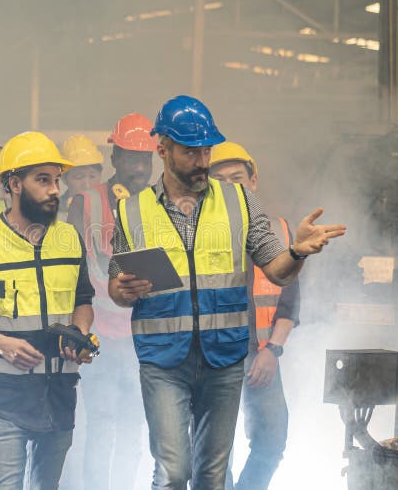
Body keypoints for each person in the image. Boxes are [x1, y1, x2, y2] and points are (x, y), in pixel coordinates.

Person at [108, 95, 346, 490]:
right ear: (163, 150)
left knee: (211, 477)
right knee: (172, 472)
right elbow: (119, 285)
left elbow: (277, 270)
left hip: (224, 360)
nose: (202, 161)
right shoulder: (132, 211)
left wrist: (296, 253)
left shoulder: (239, 203)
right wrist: (121, 289)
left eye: (206, 150)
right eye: (191, 152)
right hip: (163, 361)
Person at [0, 131, 97, 490]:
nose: (55, 189)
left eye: (57, 180)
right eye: (43, 180)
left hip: (58, 391)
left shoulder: (69, 239)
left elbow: (82, 299)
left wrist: (80, 333)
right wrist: (0, 344)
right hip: (1, 394)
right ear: (14, 183)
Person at [66, 113, 156, 490]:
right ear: (114, 158)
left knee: (134, 427)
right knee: (101, 425)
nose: (138, 167)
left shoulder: (159, 204)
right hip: (101, 337)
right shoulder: (84, 204)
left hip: (144, 341)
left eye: (145, 159)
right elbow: (70, 271)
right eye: (129, 157)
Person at [210, 142, 300, 490]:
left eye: (237, 178)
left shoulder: (278, 231)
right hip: (214, 359)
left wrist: (272, 350)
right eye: (220, 179)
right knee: (216, 451)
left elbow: (290, 302)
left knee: (272, 440)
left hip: (261, 357)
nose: (231, 186)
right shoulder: (198, 237)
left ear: (254, 180)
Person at [60, 134, 105, 217]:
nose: (87, 185)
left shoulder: (111, 207)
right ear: (64, 179)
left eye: (92, 177)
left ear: (100, 175)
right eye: (79, 177)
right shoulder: (53, 212)